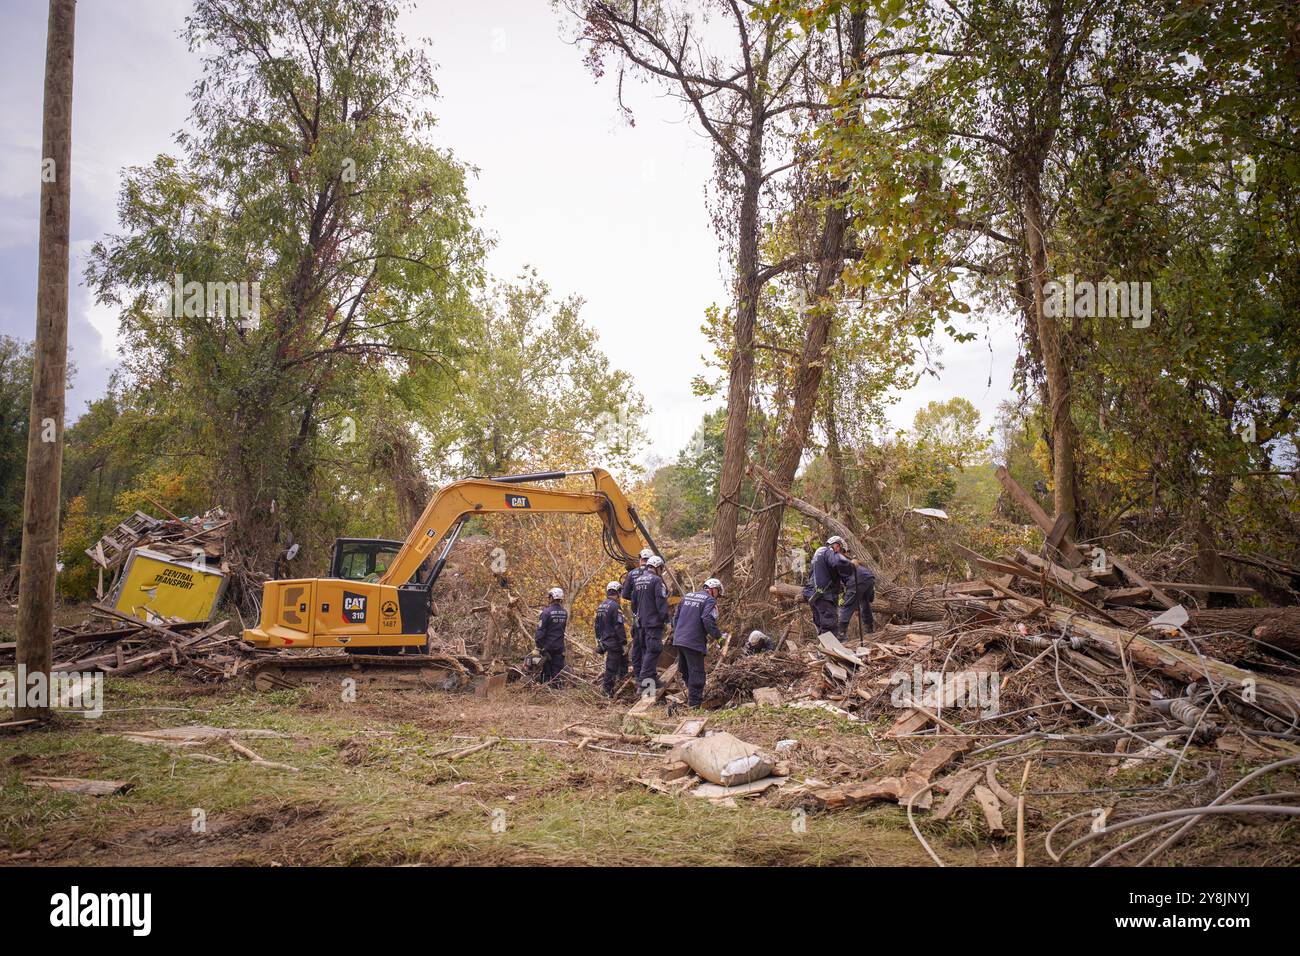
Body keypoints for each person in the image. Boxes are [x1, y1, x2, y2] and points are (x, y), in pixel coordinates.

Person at [671, 578, 723, 707]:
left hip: (679, 640)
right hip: (693, 642)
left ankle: (691, 698)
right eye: (718, 592)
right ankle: (695, 705)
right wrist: (718, 637)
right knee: (697, 673)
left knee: (685, 670)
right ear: (713, 589)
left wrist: (678, 633)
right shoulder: (709, 600)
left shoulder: (687, 596)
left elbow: (675, 617)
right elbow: (707, 618)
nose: (717, 596)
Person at [632, 555, 670, 693]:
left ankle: (652, 679)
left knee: (646, 650)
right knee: (653, 649)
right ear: (657, 567)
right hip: (653, 622)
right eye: (661, 569)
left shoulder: (638, 580)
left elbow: (633, 603)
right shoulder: (656, 580)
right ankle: (643, 682)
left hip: (641, 623)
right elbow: (661, 601)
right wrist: (666, 619)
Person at [804, 535, 853, 636]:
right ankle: (829, 646)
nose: (841, 555)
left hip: (813, 593)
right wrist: (850, 565)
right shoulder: (828, 552)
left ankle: (823, 646)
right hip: (824, 596)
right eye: (842, 551)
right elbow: (838, 563)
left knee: (821, 626)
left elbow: (817, 574)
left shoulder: (819, 554)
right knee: (829, 625)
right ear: (837, 546)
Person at [622, 548, 653, 680]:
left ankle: (638, 675)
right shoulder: (653, 574)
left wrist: (636, 597)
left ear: (640, 559)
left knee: (637, 646)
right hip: (649, 617)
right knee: (647, 648)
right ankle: (646, 678)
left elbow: (625, 594)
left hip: (636, 616)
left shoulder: (632, 574)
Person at [594, 581, 628, 697]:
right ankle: (607, 691)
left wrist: (599, 640)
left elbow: (596, 625)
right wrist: (623, 643)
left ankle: (619, 688)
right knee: (613, 668)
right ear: (618, 592)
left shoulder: (601, 606)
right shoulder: (615, 606)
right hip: (614, 642)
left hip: (604, 640)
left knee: (620, 663)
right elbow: (619, 626)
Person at [534, 587, 569, 685]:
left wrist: (539, 646)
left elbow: (540, 631)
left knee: (546, 674)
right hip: (559, 647)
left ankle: (546, 691)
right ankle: (556, 690)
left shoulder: (546, 612)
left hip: (547, 648)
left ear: (553, 597)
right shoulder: (564, 613)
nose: (548, 598)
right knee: (556, 674)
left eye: (549, 596)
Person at [838, 562, 876, 639]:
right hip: (869, 578)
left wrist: (842, 598)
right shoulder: (846, 563)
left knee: (847, 606)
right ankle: (869, 628)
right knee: (865, 602)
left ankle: (840, 634)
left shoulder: (835, 568)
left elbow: (839, 586)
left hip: (857, 580)